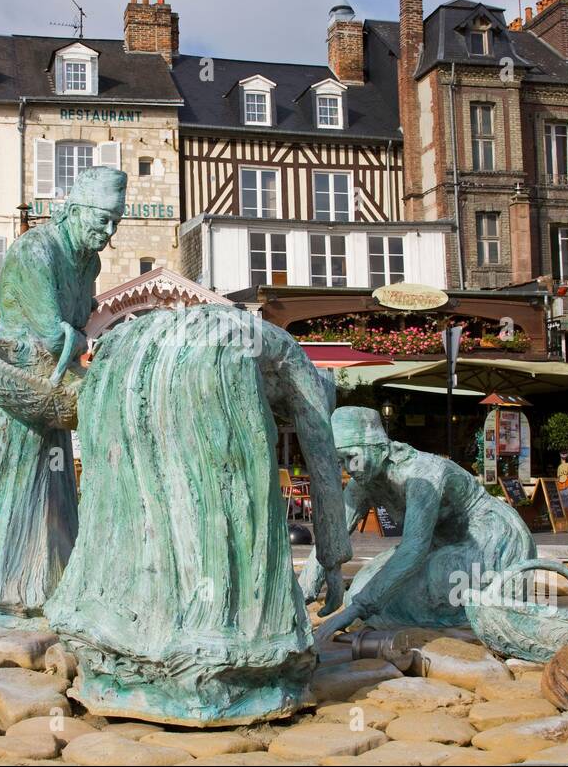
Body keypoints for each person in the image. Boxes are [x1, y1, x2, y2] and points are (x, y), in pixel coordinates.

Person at [45, 305, 350, 726]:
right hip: (210, 368)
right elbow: (321, 458)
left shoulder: (231, 331)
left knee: (132, 503)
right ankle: (233, 658)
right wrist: (333, 558)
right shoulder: (294, 360)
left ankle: (121, 649)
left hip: (125, 361)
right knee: (224, 506)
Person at [0, 166, 126, 629]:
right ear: (74, 209)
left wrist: (78, 340)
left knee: (53, 494)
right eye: (101, 219)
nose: (108, 231)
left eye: (115, 222)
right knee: (7, 492)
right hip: (14, 389)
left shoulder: (89, 264)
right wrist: (77, 341)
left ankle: (49, 589)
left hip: (51, 391)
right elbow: (51, 332)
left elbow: (75, 330)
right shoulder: (36, 250)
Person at [306, 407, 535, 642]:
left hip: (489, 540)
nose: (349, 468)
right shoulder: (362, 483)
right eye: (341, 460)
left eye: (353, 457)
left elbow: (413, 550)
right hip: (440, 544)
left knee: (411, 593)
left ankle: (469, 617)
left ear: (380, 448)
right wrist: (304, 590)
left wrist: (357, 609)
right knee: (357, 589)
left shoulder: (423, 474)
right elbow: (332, 535)